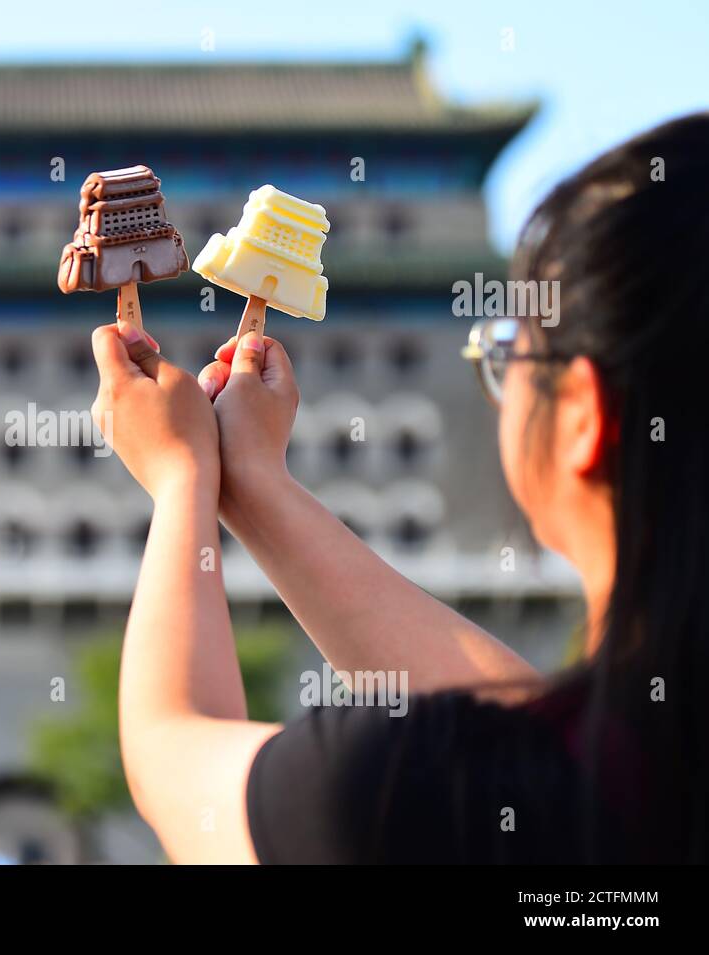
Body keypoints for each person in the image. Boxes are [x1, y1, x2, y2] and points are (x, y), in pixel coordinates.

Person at [91, 113, 708, 864]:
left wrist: (182, 478)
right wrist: (254, 485)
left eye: (513, 350)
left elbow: (173, 753)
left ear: (582, 417)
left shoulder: (406, 790)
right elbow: (523, 723)